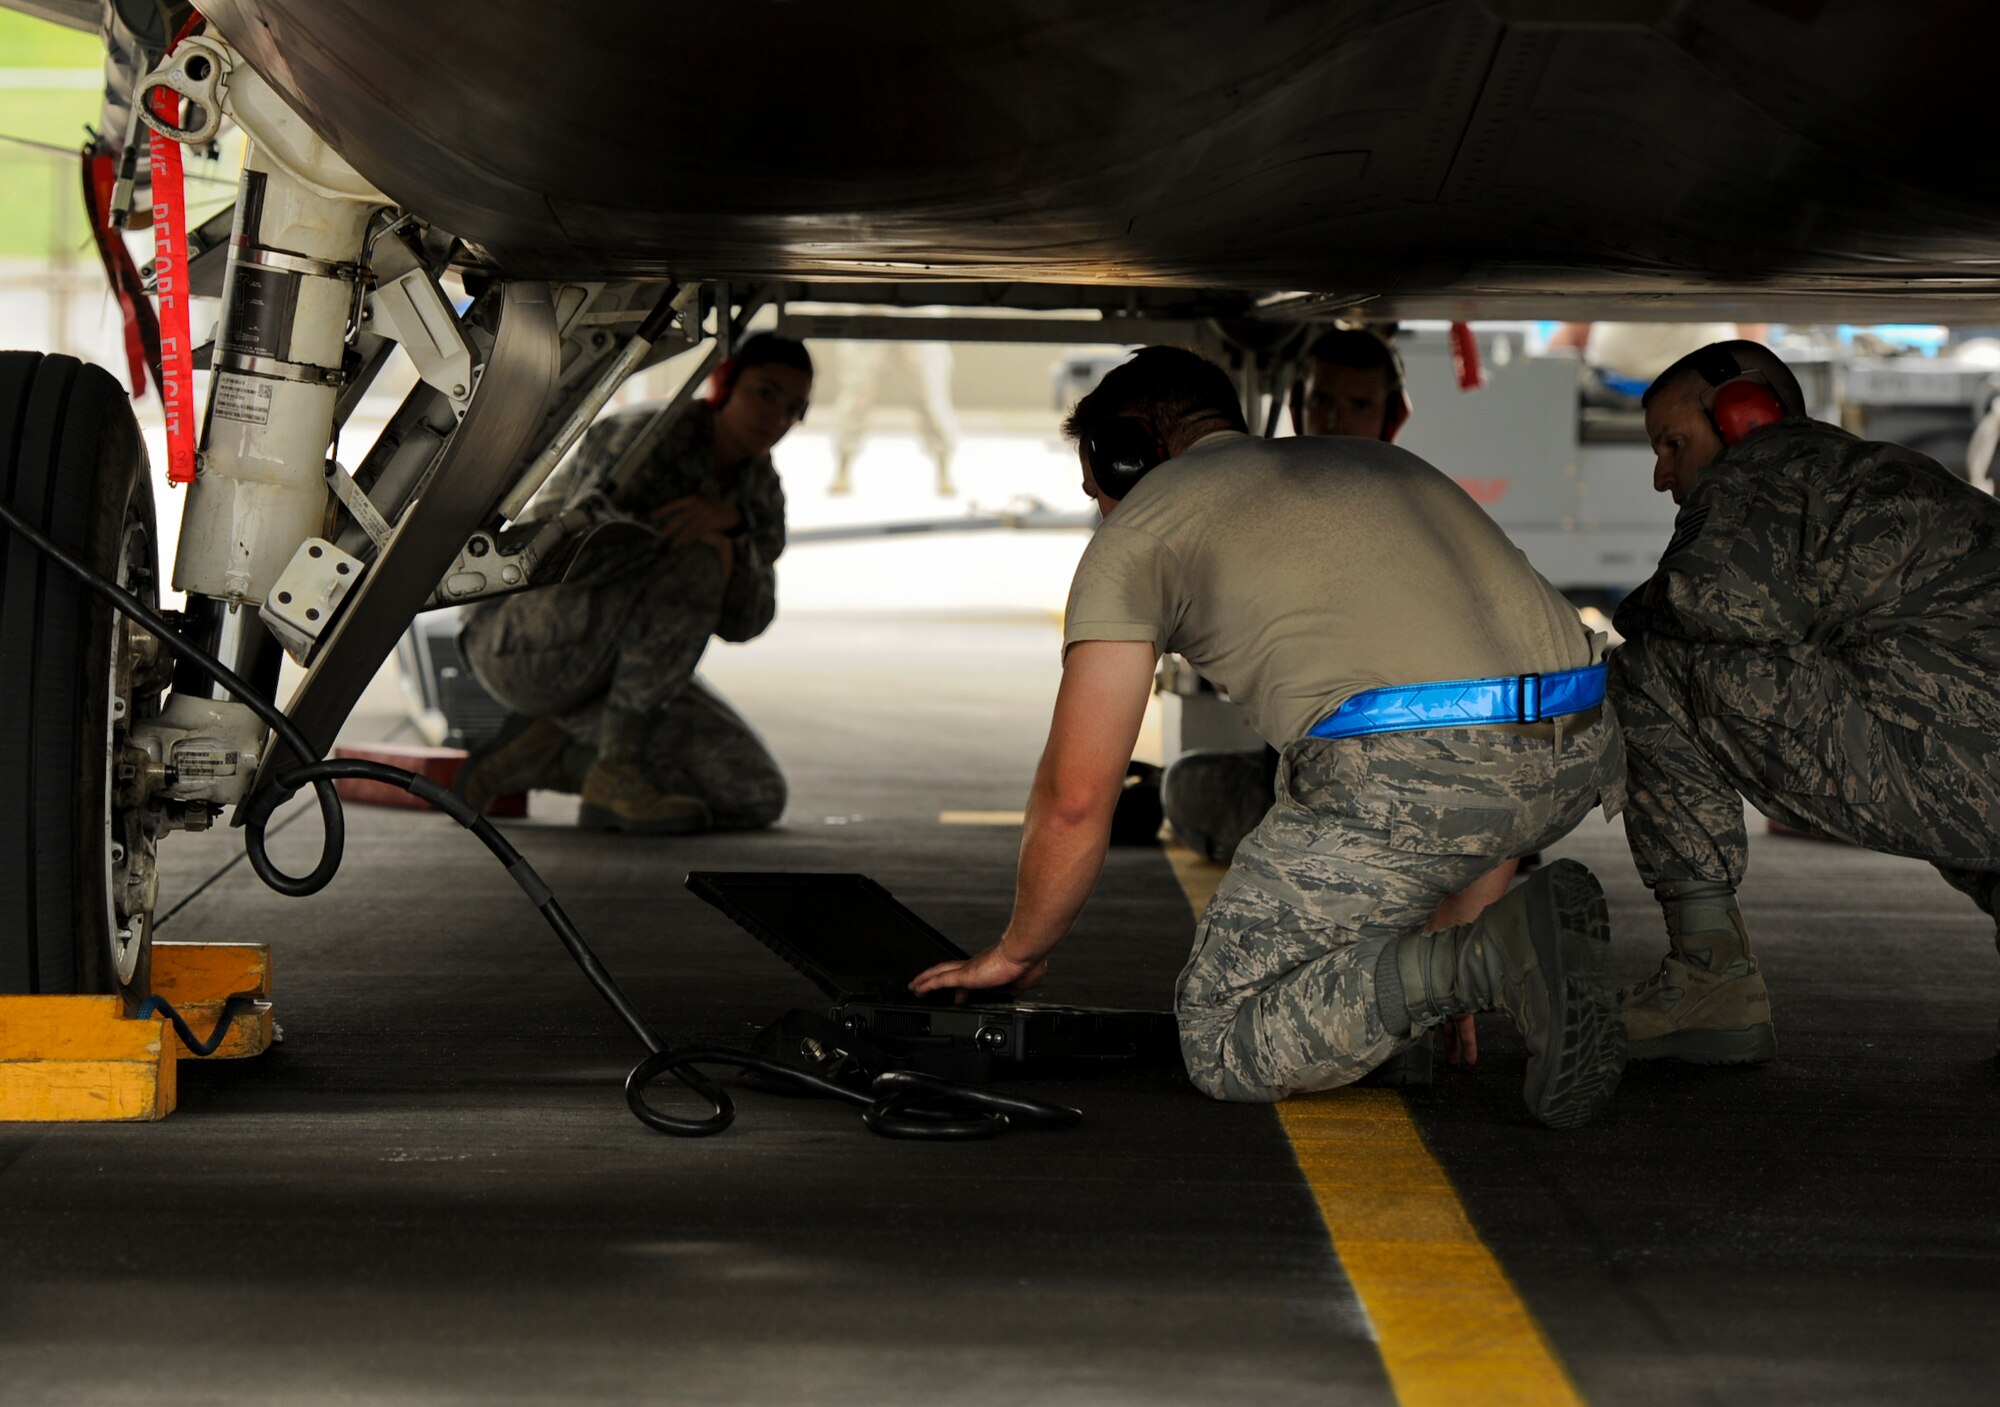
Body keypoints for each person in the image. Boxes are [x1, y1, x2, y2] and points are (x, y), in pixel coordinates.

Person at [911, 347, 1628, 1127]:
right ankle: (1489, 955)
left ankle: (1496, 958)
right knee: (1378, 927)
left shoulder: (1144, 529)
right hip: (1580, 741)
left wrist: (1017, 950)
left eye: (1099, 489)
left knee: (1221, 1036)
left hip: (1413, 767)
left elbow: (1078, 796)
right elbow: (1494, 728)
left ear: (1130, 450)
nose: (1104, 510)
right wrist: (1440, 962)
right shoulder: (1378, 465)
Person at [1611, 338, 2000, 1063]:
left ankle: (1710, 980)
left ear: (1743, 414)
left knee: (1649, 670)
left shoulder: (1760, 472)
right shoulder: (1864, 469)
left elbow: (1707, 601)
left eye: (1673, 443)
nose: (1665, 474)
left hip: (1970, 757)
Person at [452, 333, 812, 834]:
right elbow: (568, 559)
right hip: (522, 643)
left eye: (794, 409)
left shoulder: (758, 490)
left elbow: (746, 622)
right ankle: (617, 769)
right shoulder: (643, 440)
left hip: (619, 675)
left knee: (753, 793)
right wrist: (688, 546)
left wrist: (732, 532)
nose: (777, 419)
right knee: (700, 561)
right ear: (725, 385)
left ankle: (540, 758)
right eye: (765, 394)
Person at [1161, 327, 1412, 865]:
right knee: (1184, 781)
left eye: (1358, 404)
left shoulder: (1405, 515)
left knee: (1186, 788)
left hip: (1383, 767)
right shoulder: (1269, 499)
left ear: (1390, 417)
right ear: (1298, 403)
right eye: (1322, 400)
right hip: (1304, 765)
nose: (1335, 418)